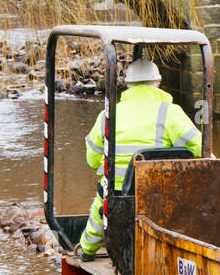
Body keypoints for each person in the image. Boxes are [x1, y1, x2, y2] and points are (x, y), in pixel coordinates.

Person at [77, 58, 201, 259]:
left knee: (101, 208)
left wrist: (105, 173)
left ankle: (87, 250)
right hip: (160, 192)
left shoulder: (109, 114)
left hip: (115, 191)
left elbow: (92, 157)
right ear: (158, 83)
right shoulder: (170, 113)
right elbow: (200, 148)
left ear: (127, 85)